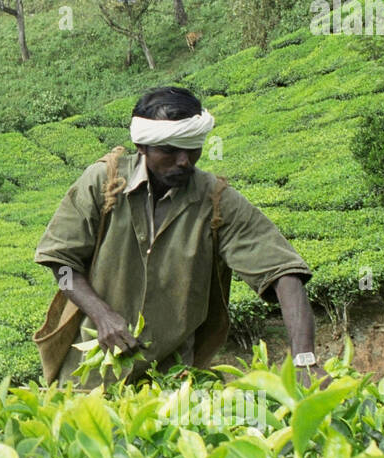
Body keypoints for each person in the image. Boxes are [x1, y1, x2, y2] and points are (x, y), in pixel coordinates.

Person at [34, 86, 315, 387]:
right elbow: (61, 264)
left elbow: (283, 273)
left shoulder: (216, 203)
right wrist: (102, 315)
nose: (183, 161)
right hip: (88, 380)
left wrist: (305, 361)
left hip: (171, 380)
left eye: (192, 148)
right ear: (142, 146)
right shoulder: (104, 183)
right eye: (169, 150)